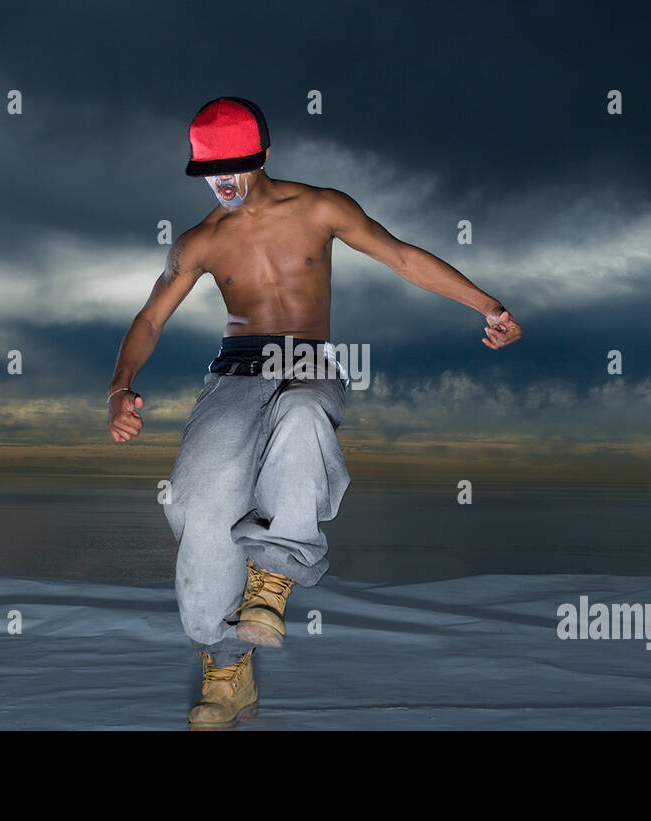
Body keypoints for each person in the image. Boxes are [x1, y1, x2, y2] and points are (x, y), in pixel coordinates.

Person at [106, 96, 522, 730]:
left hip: (305, 362)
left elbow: (403, 257)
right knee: (196, 504)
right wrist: (120, 387)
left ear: (264, 156)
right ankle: (226, 669)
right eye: (210, 173)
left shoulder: (321, 207)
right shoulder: (200, 242)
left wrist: (489, 308)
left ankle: (274, 575)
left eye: (235, 169)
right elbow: (148, 318)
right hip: (233, 373)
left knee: (302, 415)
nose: (222, 184)